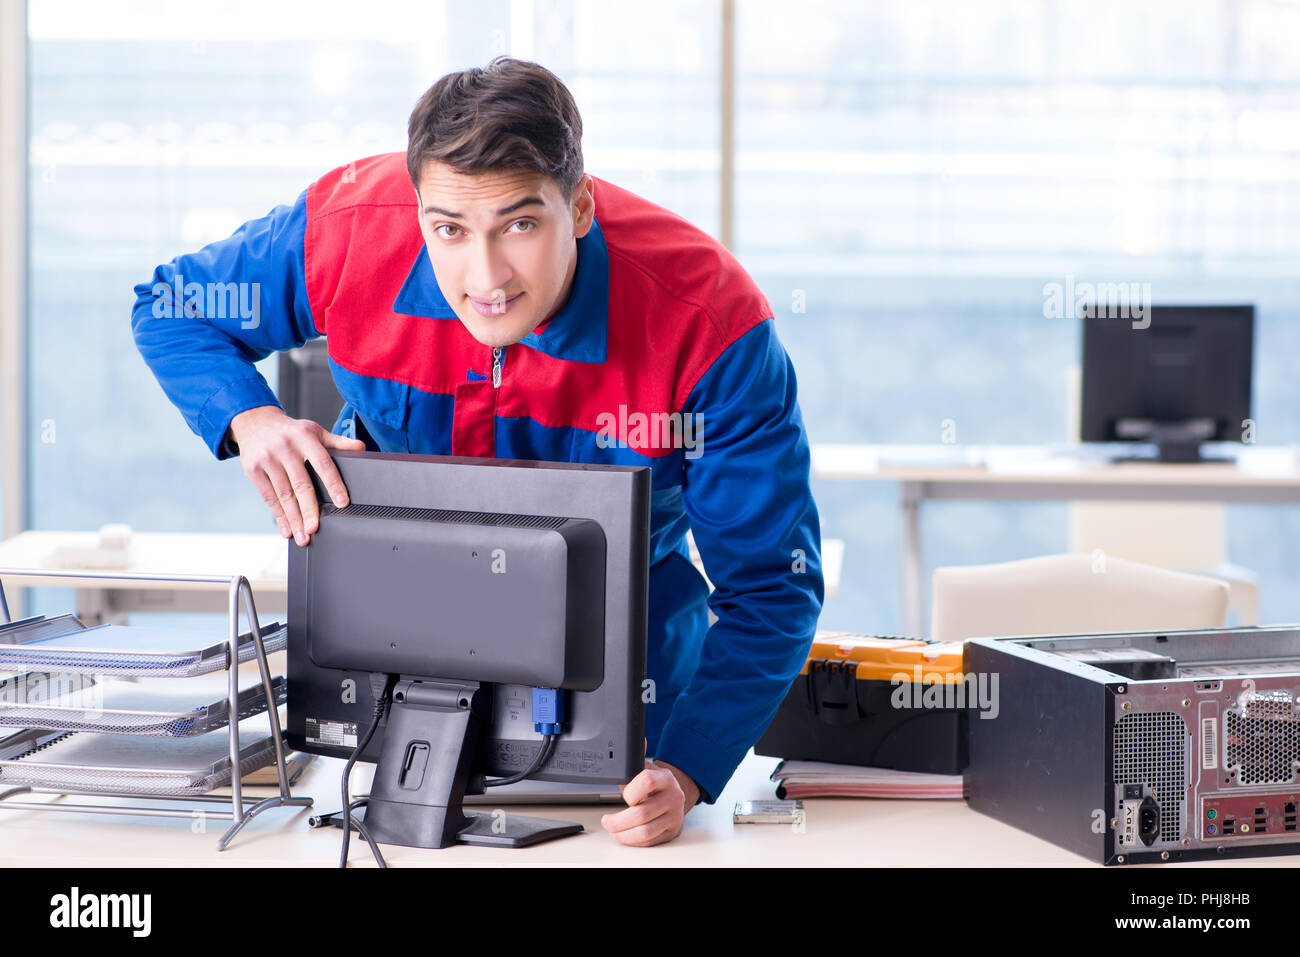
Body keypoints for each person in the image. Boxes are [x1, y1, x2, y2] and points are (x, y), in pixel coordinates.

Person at [132, 57, 823, 847]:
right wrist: (252, 418)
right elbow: (172, 306)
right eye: (449, 231)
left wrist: (693, 767)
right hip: (396, 698)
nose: (485, 277)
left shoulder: (708, 320)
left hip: (633, 725)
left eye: (520, 225)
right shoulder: (346, 231)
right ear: (417, 208)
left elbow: (772, 585)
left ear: (582, 205)